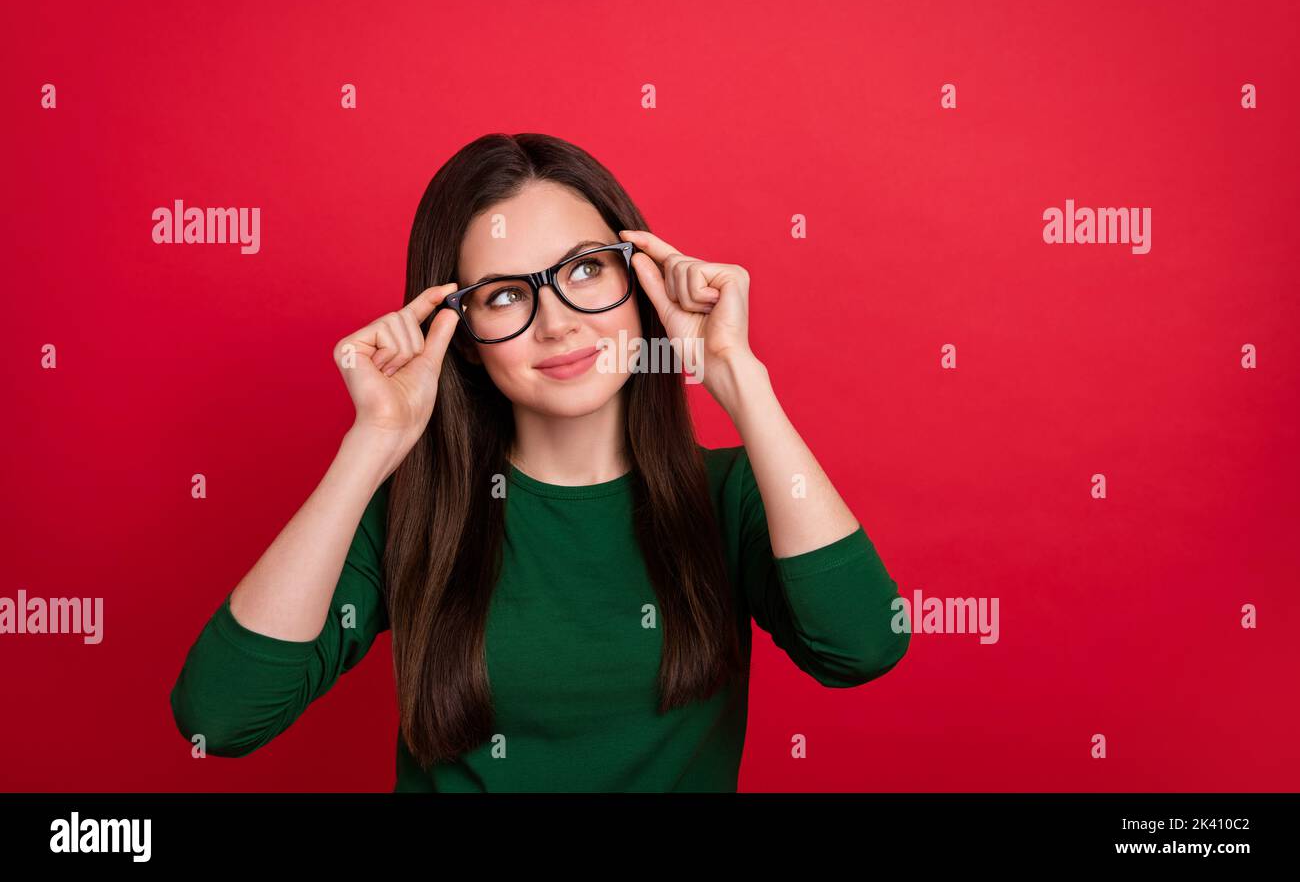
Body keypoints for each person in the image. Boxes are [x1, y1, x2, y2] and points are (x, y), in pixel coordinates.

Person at [169, 132, 910, 791]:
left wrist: (740, 380)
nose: (557, 324)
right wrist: (370, 446)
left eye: (586, 270)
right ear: (459, 334)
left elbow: (863, 647)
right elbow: (221, 718)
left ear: (641, 279)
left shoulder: (733, 496)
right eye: (503, 296)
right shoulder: (413, 512)